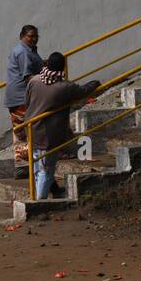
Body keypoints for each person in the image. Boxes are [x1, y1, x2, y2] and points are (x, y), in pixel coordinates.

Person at [25, 52, 101, 201]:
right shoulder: (64, 87)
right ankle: (39, 201)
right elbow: (83, 91)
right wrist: (95, 83)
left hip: (31, 128)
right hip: (48, 135)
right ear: (63, 66)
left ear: (47, 64)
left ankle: (37, 195)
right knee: (46, 170)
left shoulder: (34, 81)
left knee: (37, 167)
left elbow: (27, 102)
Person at [4, 24, 44, 180]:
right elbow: (28, 76)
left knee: (22, 131)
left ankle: (23, 164)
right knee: (24, 131)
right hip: (21, 97)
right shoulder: (23, 52)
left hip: (23, 96)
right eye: (30, 36)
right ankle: (22, 165)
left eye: (36, 36)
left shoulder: (29, 50)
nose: (33, 39)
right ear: (22, 36)